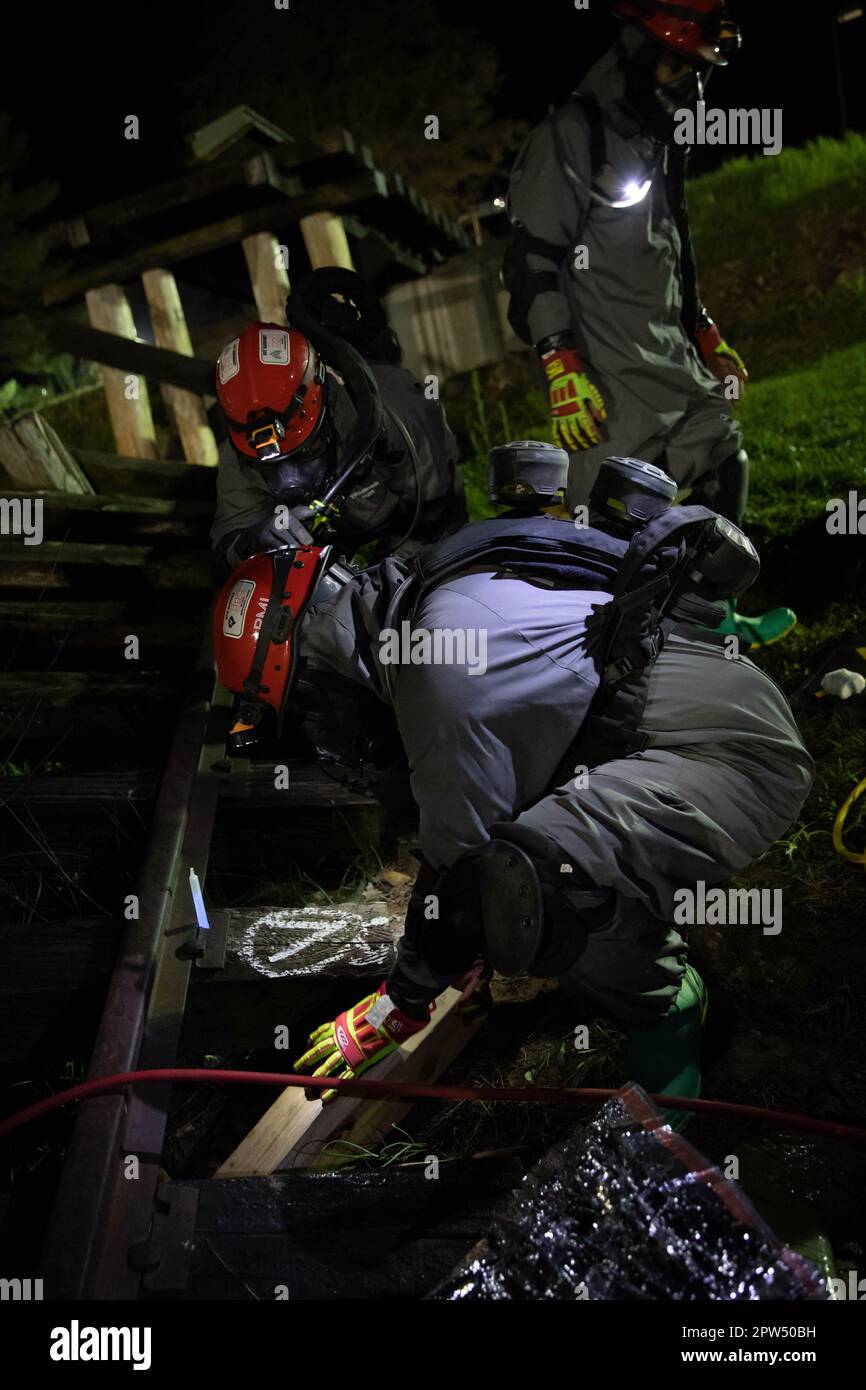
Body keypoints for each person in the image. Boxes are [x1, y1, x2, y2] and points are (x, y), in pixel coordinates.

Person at [212, 453, 814, 1114]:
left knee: (523, 880)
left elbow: (460, 875)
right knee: (525, 838)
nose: (317, 726)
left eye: (302, 704)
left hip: (735, 761)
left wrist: (399, 1005)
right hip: (698, 700)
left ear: (311, 666)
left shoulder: (438, 678)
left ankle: (668, 1008)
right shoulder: (434, 580)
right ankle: (634, 885)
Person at [501, 0, 795, 648]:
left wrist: (707, 332)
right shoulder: (572, 135)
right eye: (672, 65)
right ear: (632, 50)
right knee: (615, 524)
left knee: (724, 460)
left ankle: (710, 619)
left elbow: (673, 251)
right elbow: (530, 260)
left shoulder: (659, 143)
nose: (685, 85)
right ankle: (615, 650)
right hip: (606, 376)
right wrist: (559, 360)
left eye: (695, 72)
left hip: (668, 357)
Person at [210, 272, 466, 581]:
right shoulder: (241, 453)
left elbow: (438, 520)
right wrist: (255, 541)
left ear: (322, 406)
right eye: (276, 463)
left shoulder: (400, 412)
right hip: (331, 559)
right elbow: (227, 552)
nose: (291, 477)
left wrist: (379, 582)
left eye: (305, 451)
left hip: (408, 540)